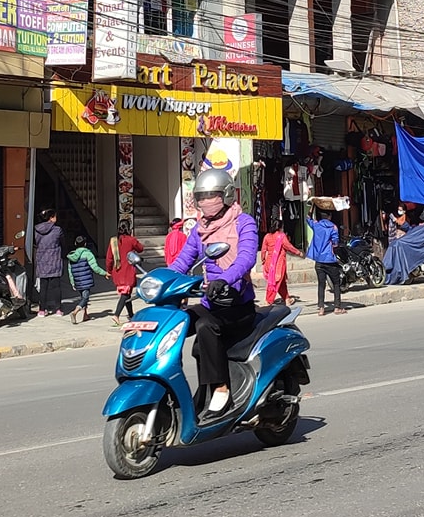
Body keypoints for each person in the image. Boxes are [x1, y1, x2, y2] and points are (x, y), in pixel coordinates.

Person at [167, 166, 258, 416]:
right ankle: (180, 390)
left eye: (212, 195)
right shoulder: (199, 229)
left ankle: (221, 389)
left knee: (207, 328)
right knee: (174, 322)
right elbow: (183, 260)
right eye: (202, 197)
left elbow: (247, 258)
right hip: (210, 304)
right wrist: (162, 280)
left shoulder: (244, 222)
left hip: (237, 305)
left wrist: (225, 280)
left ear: (227, 195)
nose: (206, 202)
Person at [307, 201, 345, 315]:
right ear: (330, 216)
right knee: (336, 283)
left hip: (318, 260)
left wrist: (313, 205)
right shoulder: (333, 227)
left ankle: (321, 308)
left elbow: (307, 218)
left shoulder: (316, 225)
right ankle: (337, 307)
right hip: (329, 259)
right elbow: (335, 243)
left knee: (321, 284)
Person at [30, 208, 66, 318]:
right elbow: (63, 243)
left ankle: (42, 310)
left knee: (43, 286)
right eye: (55, 216)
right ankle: (58, 309)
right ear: (51, 218)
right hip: (54, 259)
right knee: (56, 286)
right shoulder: (57, 230)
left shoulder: (36, 229)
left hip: (42, 260)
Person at [106, 228, 145, 326]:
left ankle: (131, 315)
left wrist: (109, 271)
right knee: (125, 294)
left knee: (126, 293)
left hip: (118, 271)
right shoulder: (131, 240)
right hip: (127, 271)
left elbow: (109, 258)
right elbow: (140, 248)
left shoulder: (114, 241)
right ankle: (116, 315)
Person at [65, 236, 108, 323]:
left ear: (75, 244)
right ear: (85, 244)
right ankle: (75, 312)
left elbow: (70, 271)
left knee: (83, 297)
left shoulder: (71, 256)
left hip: (77, 280)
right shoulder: (88, 254)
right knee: (85, 298)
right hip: (86, 280)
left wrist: (72, 282)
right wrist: (104, 273)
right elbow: (94, 267)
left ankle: (85, 315)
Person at [261, 228, 303, 307]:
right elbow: (289, 246)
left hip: (269, 263)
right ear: (280, 227)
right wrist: (298, 252)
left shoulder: (267, 236)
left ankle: (287, 299)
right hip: (278, 264)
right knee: (275, 282)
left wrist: (263, 259)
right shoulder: (281, 236)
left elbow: (263, 250)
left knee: (282, 283)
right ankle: (268, 300)